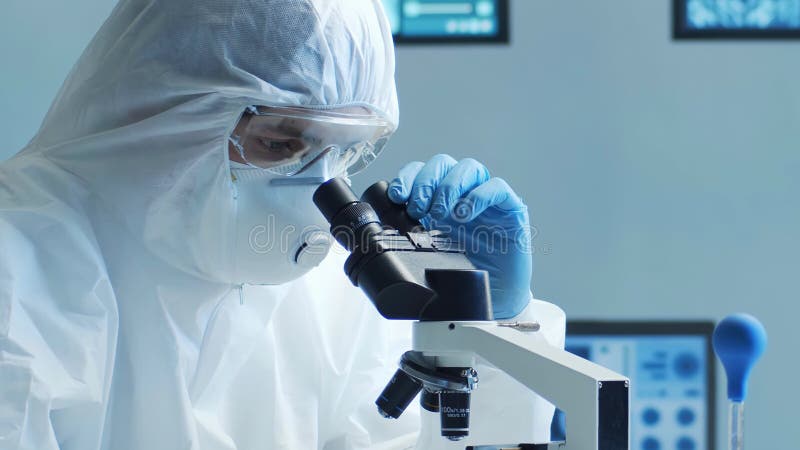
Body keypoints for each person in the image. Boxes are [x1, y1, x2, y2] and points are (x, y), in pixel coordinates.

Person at [0, 0, 565, 449]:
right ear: (164, 113)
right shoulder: (19, 272)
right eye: (279, 142)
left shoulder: (325, 295)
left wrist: (487, 334)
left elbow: (429, 439)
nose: (319, 192)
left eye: (348, 152)